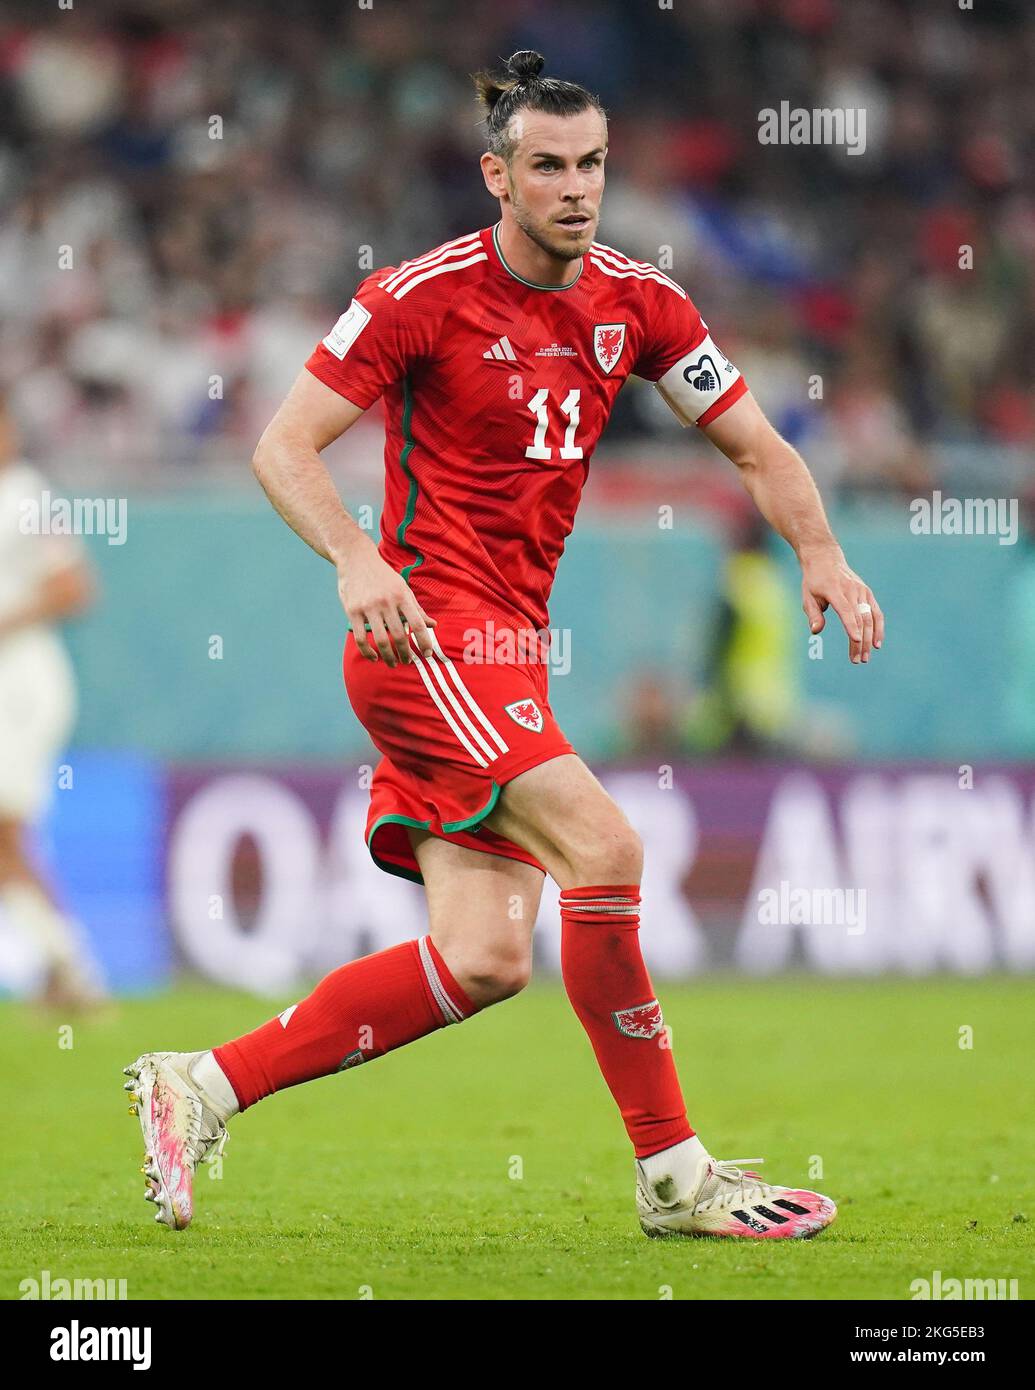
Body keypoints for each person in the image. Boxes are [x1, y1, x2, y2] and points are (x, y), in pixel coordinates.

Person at [125, 51, 884, 1238]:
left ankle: (202, 1084)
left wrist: (823, 552)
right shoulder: (416, 296)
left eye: (591, 165)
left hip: (507, 653)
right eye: (548, 167)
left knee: (482, 957)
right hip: (426, 633)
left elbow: (760, 448)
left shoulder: (640, 304)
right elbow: (282, 446)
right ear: (498, 175)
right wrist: (355, 554)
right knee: (608, 846)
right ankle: (677, 1177)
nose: (577, 189)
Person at [0, 397, 101, 1008]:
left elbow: (73, 586)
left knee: (6, 827)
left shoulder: (24, 493)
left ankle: (71, 969)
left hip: (23, 682)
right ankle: (60, 967)